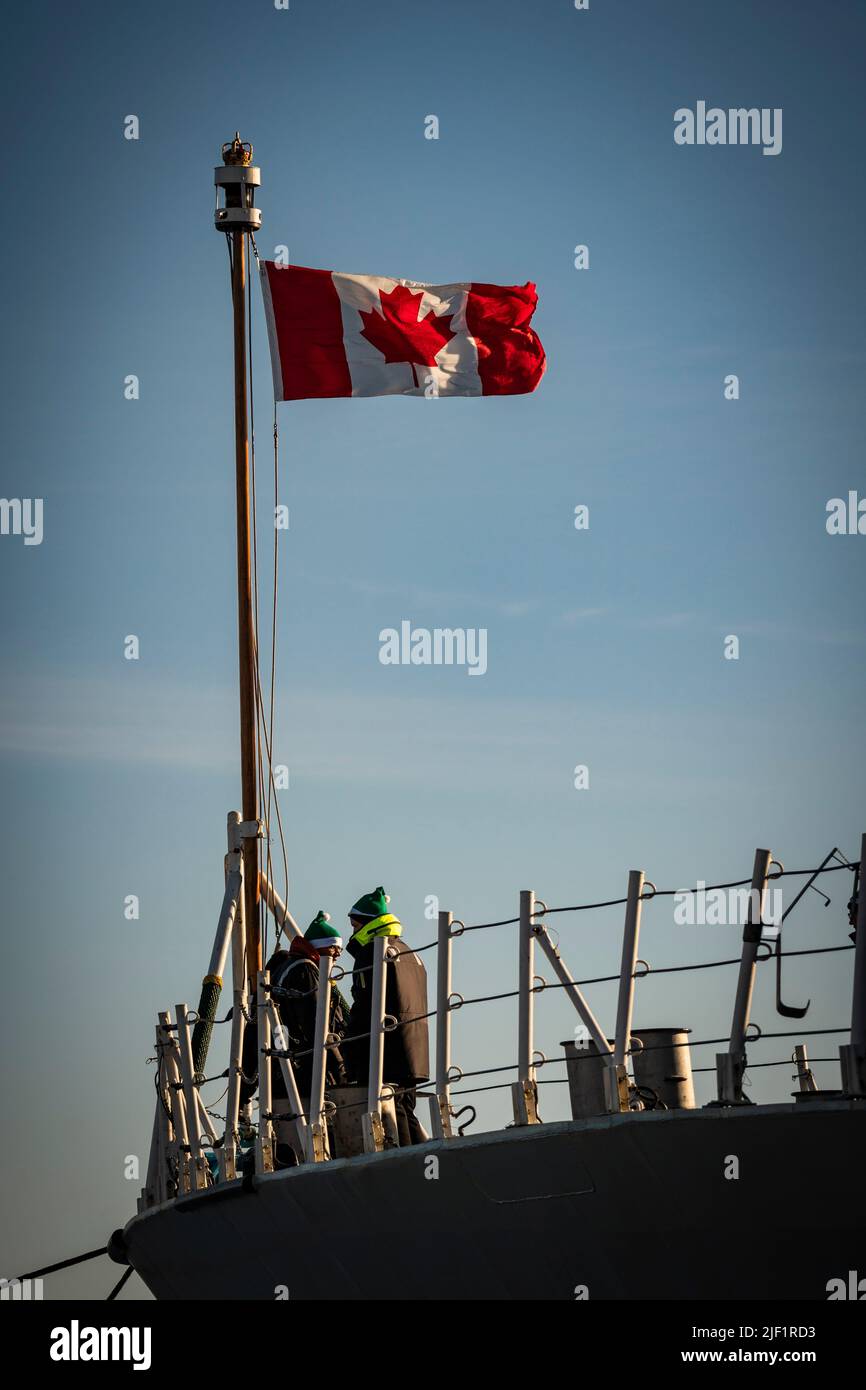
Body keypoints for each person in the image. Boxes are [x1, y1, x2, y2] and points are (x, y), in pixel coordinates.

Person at [242, 910, 348, 1166]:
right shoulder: (306, 971)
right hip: (301, 1074)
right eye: (335, 952)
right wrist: (340, 1067)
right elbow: (317, 1026)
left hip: (278, 1071)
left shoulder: (283, 968)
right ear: (324, 950)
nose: (338, 958)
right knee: (318, 1145)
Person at [342, 887, 430, 1146]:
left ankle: (407, 1164)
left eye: (355, 925)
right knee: (406, 1106)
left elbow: (364, 1004)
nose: (353, 932)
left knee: (394, 1109)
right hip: (414, 1048)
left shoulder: (372, 952)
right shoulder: (409, 952)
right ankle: (426, 1157)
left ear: (368, 924)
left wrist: (350, 1047)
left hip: (386, 1049)